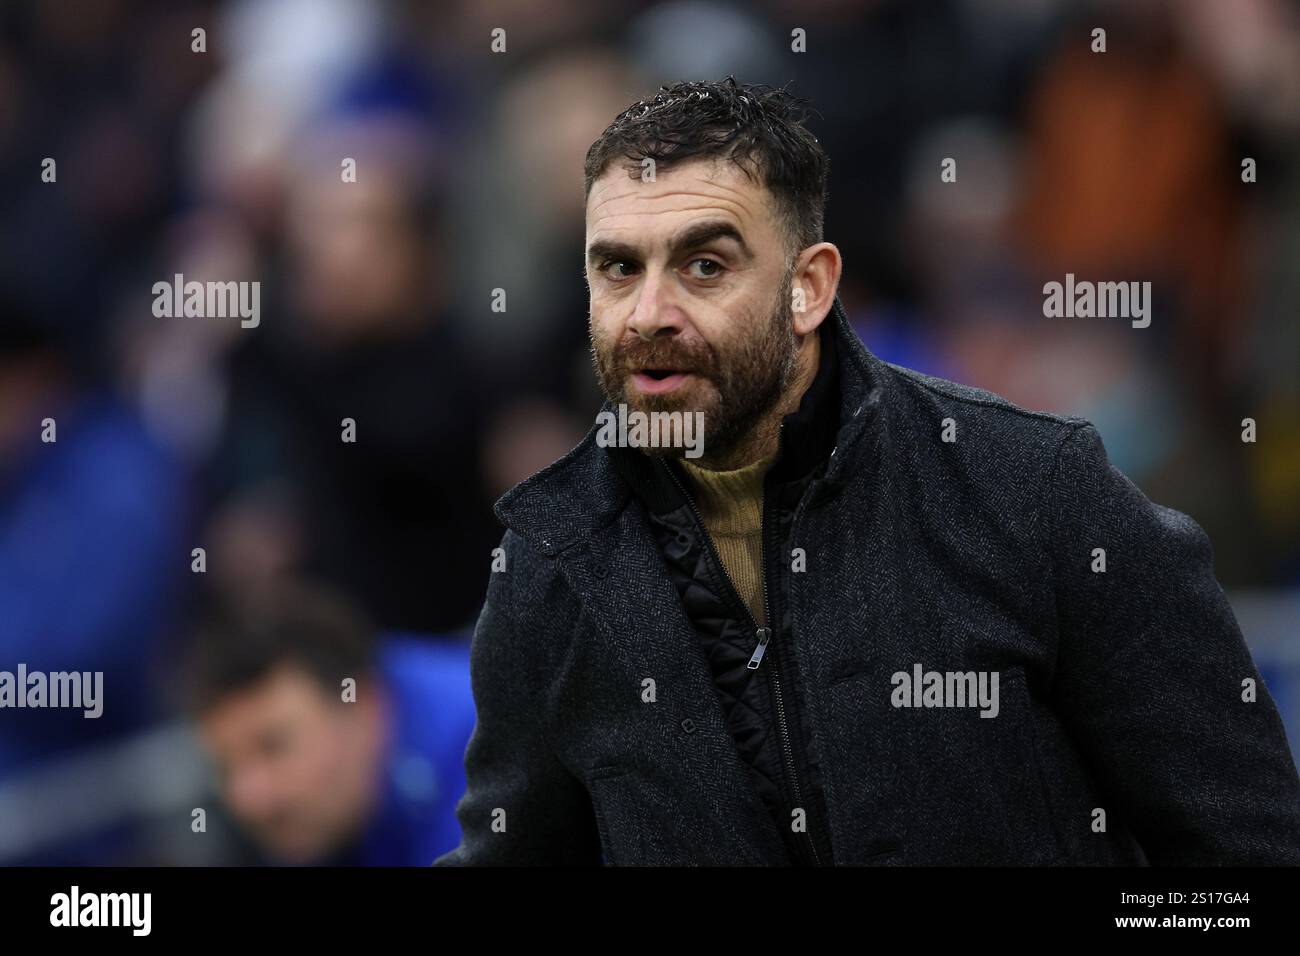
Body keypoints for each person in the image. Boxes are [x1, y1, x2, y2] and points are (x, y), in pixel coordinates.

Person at [434, 77, 1300, 866]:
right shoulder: (548, 562)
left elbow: (1246, 857)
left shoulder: (1036, 492)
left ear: (809, 287)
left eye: (705, 265)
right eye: (618, 268)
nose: (649, 313)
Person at [183, 582, 474, 866]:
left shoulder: (487, 756)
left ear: (362, 706)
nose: (250, 800)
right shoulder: (319, 821)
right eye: (224, 767)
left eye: (273, 747)